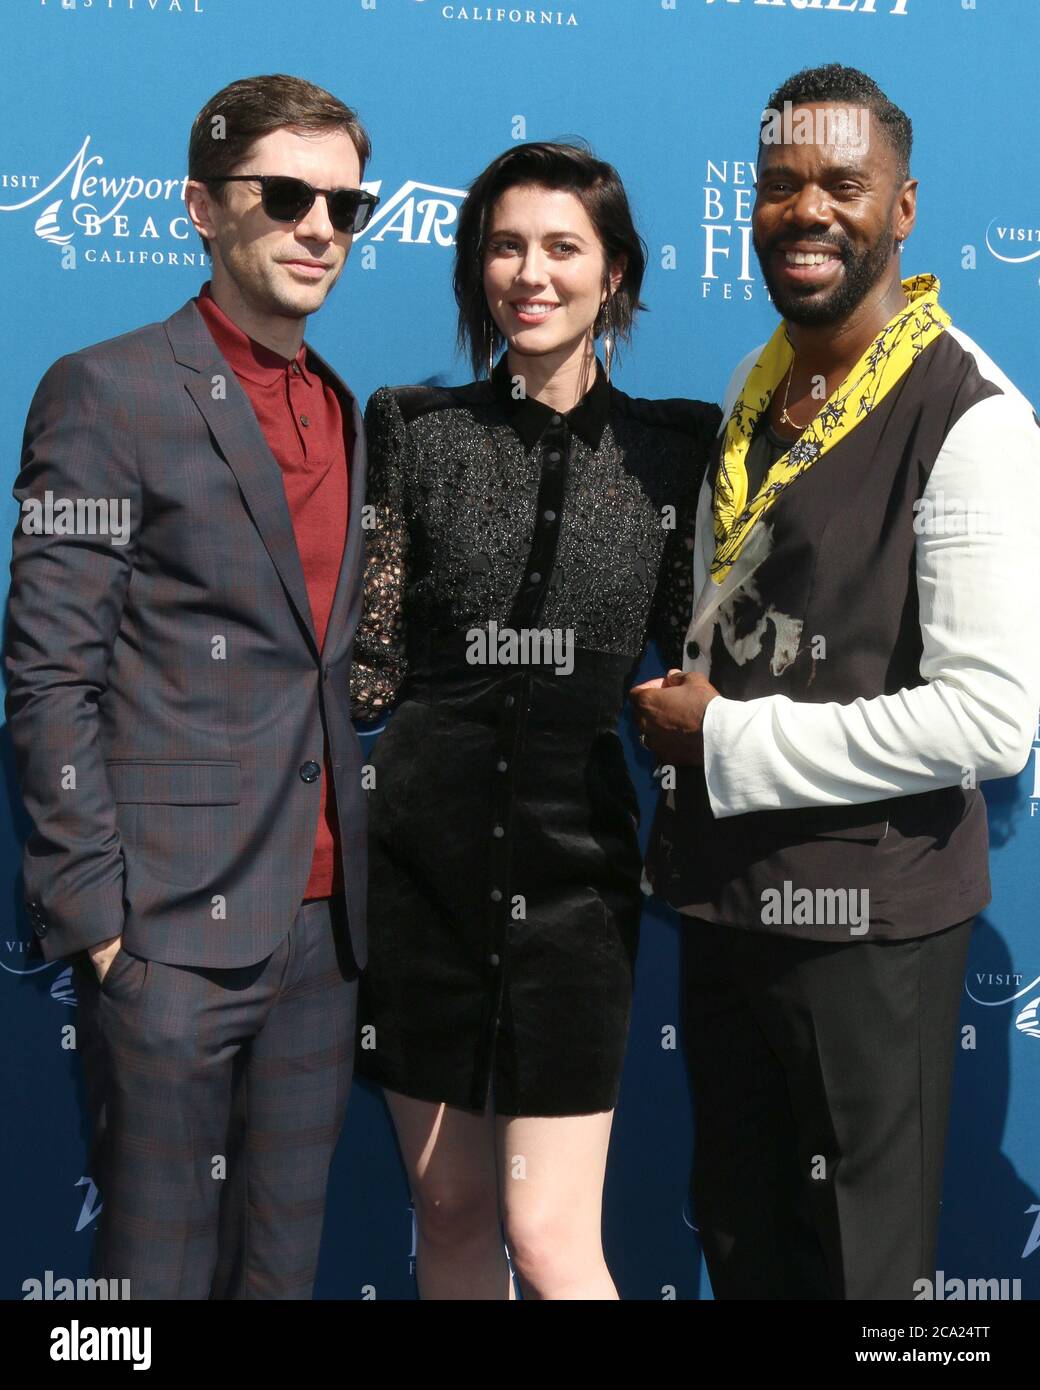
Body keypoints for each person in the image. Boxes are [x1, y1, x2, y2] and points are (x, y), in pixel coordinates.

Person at [634, 64, 1040, 1300]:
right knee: (743, 1247)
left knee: (861, 1280)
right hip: (721, 909)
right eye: (777, 185)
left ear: (902, 207)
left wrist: (724, 741)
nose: (805, 209)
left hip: (867, 935)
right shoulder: (756, 390)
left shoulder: (969, 416)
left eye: (840, 184)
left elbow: (991, 720)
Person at [5, 73, 377, 1299]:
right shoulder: (104, 389)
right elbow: (49, 666)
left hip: (321, 935)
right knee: (152, 1284)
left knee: (279, 1271)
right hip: (165, 934)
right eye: (285, 196)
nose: (319, 227)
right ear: (201, 209)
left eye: (346, 204)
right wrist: (102, 923)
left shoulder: (341, 405)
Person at [350, 141, 720, 1300]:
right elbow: (365, 671)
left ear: (613, 273)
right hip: (422, 874)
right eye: (504, 245)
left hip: (577, 886)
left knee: (551, 1235)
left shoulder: (674, 446)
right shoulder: (411, 427)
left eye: (562, 246)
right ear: (474, 269)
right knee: (449, 1208)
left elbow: (693, 666)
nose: (530, 271)